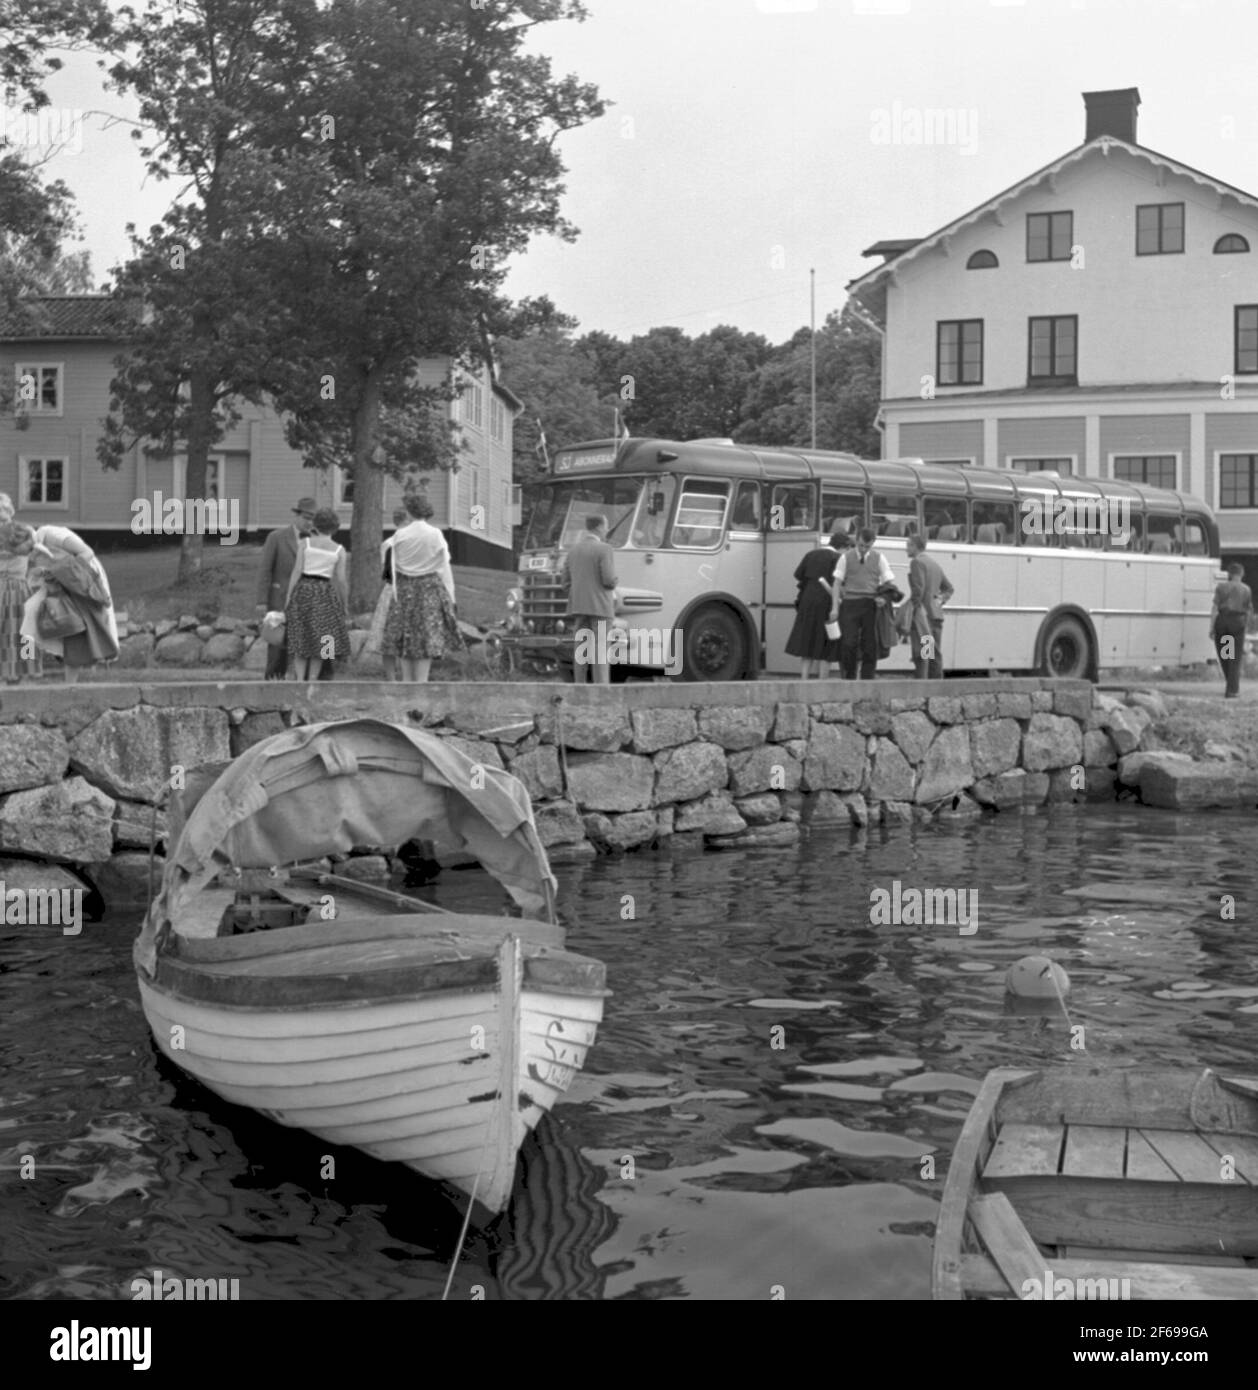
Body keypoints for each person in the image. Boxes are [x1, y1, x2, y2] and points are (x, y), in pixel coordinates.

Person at [22, 523, 120, 682]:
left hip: (82, 581)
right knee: (31, 614)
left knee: (76, 629)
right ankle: (28, 667)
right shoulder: (35, 551)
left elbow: (87, 553)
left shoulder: (51, 534)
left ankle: (69, 684)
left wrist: (56, 572)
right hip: (62, 583)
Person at [382, 493, 462, 683]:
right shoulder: (435, 534)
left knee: (406, 635)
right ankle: (421, 683)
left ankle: (407, 682)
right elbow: (444, 567)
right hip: (428, 589)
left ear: (409, 512)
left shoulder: (400, 535)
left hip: (404, 589)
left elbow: (388, 559)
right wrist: (451, 597)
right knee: (425, 637)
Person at [255, 496, 335, 681]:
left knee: (317, 645)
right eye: (306, 518)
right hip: (281, 598)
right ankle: (273, 687)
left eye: (313, 519)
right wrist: (261, 600)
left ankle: (318, 681)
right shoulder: (276, 537)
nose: (309, 522)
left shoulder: (321, 540)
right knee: (277, 649)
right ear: (296, 516)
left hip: (312, 601)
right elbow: (265, 570)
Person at [284, 508, 349, 682]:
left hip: (304, 589)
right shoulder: (339, 550)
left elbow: (297, 570)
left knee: (301, 635)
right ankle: (313, 680)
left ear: (316, 525)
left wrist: (289, 595)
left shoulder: (306, 544)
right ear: (335, 527)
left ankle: (299, 679)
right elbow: (341, 580)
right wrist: (344, 602)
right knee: (322, 638)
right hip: (324, 592)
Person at [829, 526, 894, 681]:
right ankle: (850, 678)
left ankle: (867, 679)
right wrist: (834, 608)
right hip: (850, 603)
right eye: (861, 545)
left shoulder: (879, 558)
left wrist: (883, 598)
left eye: (867, 546)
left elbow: (889, 584)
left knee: (870, 644)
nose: (864, 549)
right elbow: (836, 583)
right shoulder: (845, 557)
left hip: (870, 604)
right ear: (856, 541)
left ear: (873, 544)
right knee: (848, 643)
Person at [561, 514, 617, 684]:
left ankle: (580, 687)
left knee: (581, 651)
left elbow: (565, 583)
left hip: (579, 607)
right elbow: (608, 580)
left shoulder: (573, 550)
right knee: (601, 651)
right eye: (606, 526)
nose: (607, 530)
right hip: (601, 607)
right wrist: (615, 580)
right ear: (599, 527)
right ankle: (601, 691)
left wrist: (579, 593)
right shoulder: (605, 549)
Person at [785, 532, 846, 678]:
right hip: (827, 602)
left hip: (807, 601)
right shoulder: (838, 558)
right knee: (827, 644)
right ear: (842, 547)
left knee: (807, 641)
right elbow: (841, 583)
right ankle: (821, 681)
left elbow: (799, 576)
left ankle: (804, 678)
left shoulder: (811, 554)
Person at [366, 506, 409, 680]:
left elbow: (383, 572)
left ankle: (392, 677)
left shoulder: (387, 543)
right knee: (397, 634)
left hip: (391, 589)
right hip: (400, 589)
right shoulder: (393, 543)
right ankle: (401, 677)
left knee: (388, 635)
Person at [906, 534, 954, 680]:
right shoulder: (934, 564)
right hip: (936, 615)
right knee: (934, 652)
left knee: (924, 654)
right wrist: (938, 601)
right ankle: (937, 686)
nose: (906, 548)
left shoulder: (917, 562)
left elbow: (918, 589)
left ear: (915, 546)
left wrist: (912, 609)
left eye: (909, 545)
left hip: (923, 616)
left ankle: (924, 687)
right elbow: (949, 588)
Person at [0, 521, 42, 683]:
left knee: (14, 633)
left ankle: (11, 671)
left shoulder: (22, 533)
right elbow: (35, 552)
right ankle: (24, 670)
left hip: (12, 588)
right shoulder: (27, 533)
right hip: (19, 588)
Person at [1210, 562, 1253, 699]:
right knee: (1235, 657)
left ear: (1229, 574)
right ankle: (1232, 689)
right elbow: (1248, 610)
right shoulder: (1246, 589)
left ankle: (1230, 684)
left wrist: (1211, 627)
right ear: (1241, 574)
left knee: (1226, 654)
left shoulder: (1221, 587)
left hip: (1223, 621)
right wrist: (1247, 626)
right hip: (1238, 622)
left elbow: (1215, 608)